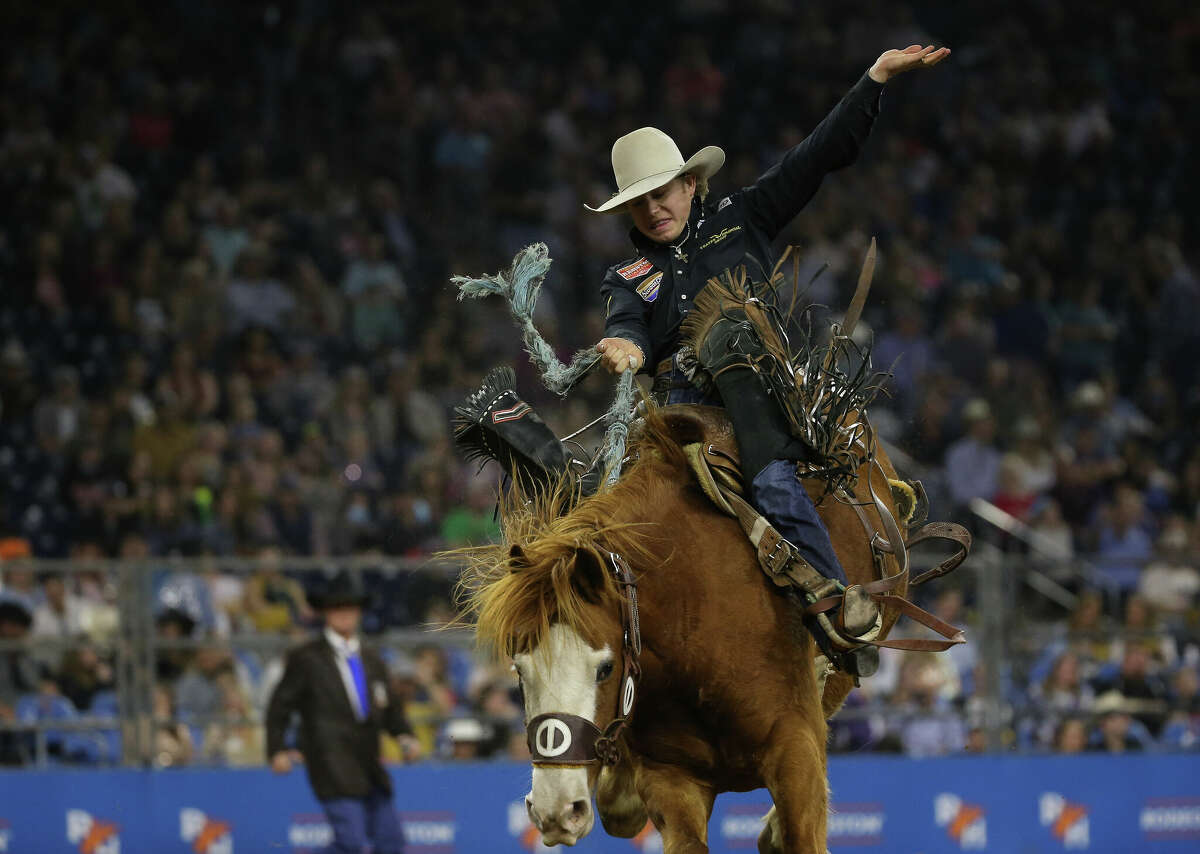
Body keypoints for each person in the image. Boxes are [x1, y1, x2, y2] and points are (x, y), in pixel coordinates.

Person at [586, 45, 949, 654]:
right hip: (681, 409)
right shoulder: (627, 274)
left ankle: (833, 595)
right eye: (640, 202)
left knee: (776, 480)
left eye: (663, 193)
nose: (654, 210)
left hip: (765, 390)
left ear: (691, 183)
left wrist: (874, 79)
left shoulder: (744, 215)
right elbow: (627, 326)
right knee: (609, 506)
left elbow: (813, 158)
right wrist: (623, 346)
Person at [266, 573, 419, 854]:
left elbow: (390, 708)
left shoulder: (372, 659)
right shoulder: (307, 658)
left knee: (390, 842)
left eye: (350, 606)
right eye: (336, 606)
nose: (344, 612)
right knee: (350, 841)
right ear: (325, 612)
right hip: (330, 760)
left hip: (370, 764)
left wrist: (405, 735)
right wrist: (277, 748)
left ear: (359, 612)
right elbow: (280, 705)